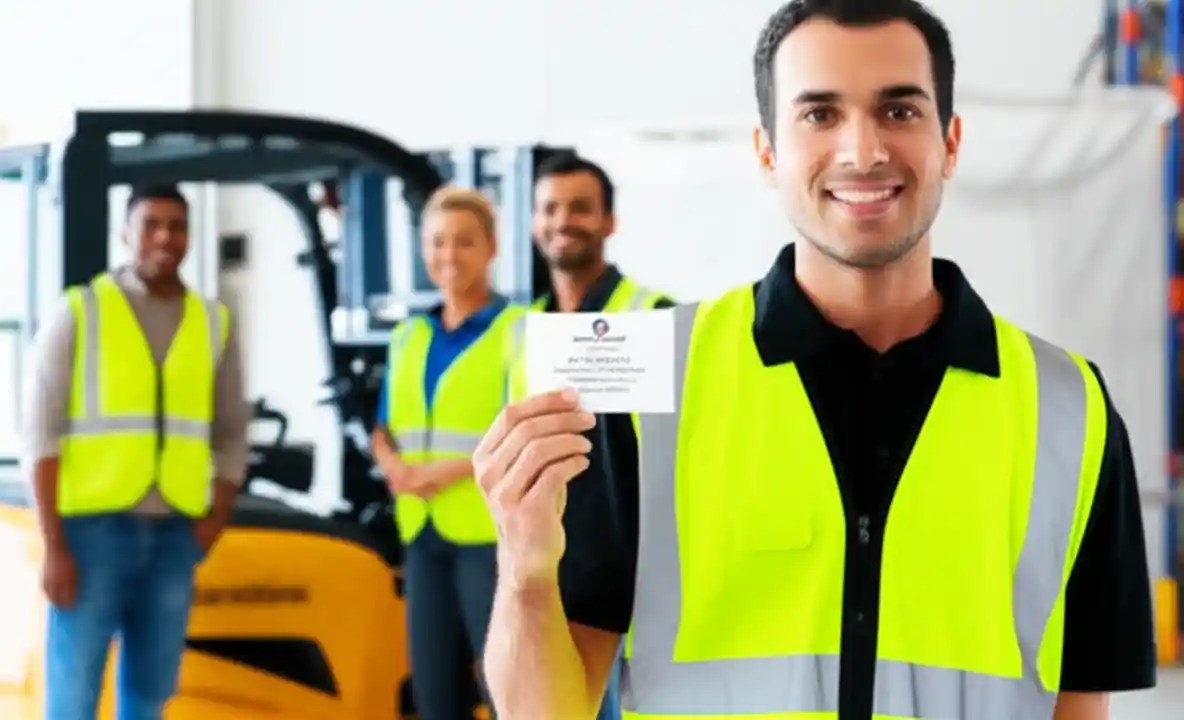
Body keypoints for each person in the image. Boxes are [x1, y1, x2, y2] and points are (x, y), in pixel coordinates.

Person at [471, 2, 1159, 719]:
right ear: (768, 151)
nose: (863, 151)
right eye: (819, 114)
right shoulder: (649, 388)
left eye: (898, 111)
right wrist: (524, 569)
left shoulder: (1068, 406)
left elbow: (1080, 701)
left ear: (950, 142)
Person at [25, 184, 249, 719]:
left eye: (176, 226)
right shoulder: (80, 312)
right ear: (125, 233)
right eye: (151, 224)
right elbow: (39, 435)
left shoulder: (212, 322)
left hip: (176, 533)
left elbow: (233, 429)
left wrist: (214, 519)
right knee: (74, 695)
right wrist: (53, 545)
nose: (164, 237)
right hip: (90, 535)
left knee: (151, 695)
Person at [523, 151, 675, 720]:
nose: (564, 221)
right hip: (545, 573)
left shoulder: (656, 317)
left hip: (629, 586)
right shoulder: (522, 331)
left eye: (580, 208)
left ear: (609, 221)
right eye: (550, 208)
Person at [371, 186, 524, 719]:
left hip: (488, 535)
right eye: (437, 242)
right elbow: (383, 426)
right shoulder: (408, 336)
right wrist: (394, 467)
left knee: (506, 690)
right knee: (435, 693)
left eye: (464, 241)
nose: (449, 255)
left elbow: (524, 428)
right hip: (422, 533)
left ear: (491, 247)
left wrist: (447, 471)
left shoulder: (518, 332)